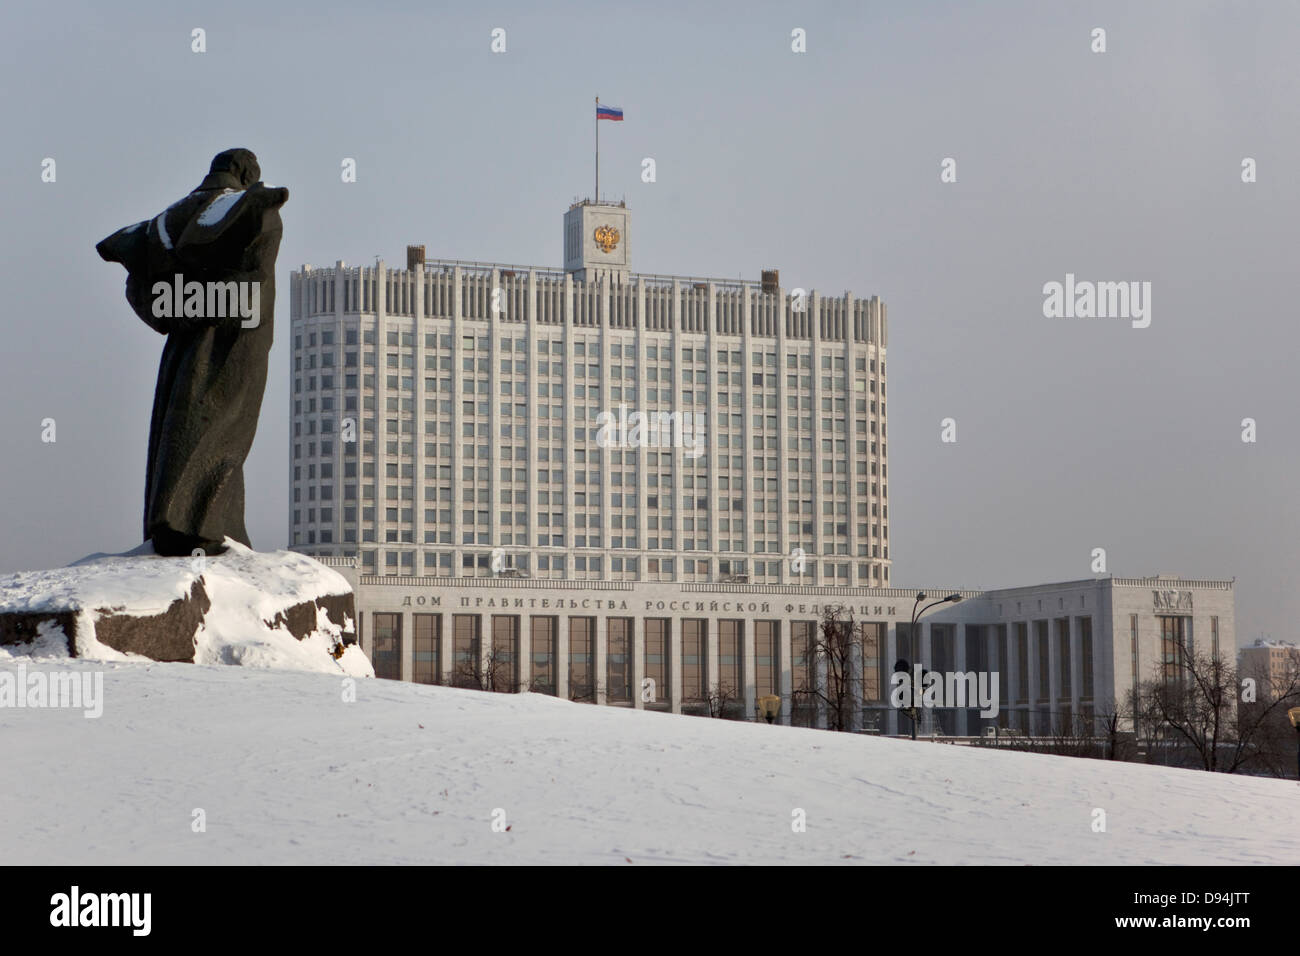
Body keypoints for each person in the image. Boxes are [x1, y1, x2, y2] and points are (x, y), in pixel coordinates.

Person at [97, 149, 288, 556]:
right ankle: (200, 525)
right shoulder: (249, 206)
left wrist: (176, 303)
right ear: (246, 174)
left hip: (187, 341)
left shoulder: (170, 219)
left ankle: (192, 521)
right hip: (237, 343)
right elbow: (256, 277)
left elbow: (138, 279)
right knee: (224, 431)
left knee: (185, 427)